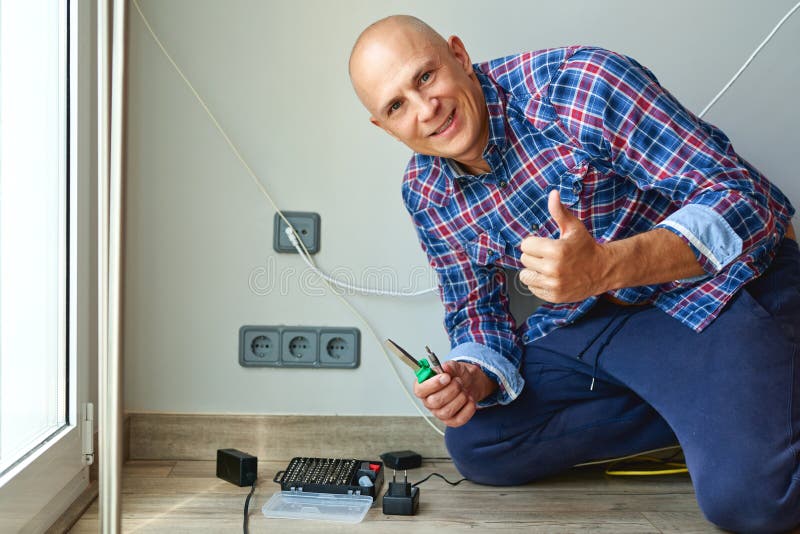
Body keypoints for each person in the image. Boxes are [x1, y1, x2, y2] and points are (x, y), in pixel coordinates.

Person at [349, 15, 799, 532]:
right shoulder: (425, 192)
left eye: (425, 76)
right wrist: (470, 377)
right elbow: (476, 311)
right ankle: (710, 415)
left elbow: (749, 201)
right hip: (600, 327)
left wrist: (608, 266)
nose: (427, 110)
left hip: (715, 294)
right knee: (479, 445)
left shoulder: (578, 83)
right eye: (396, 106)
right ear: (383, 127)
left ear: (459, 55)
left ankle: (745, 411)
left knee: (752, 504)